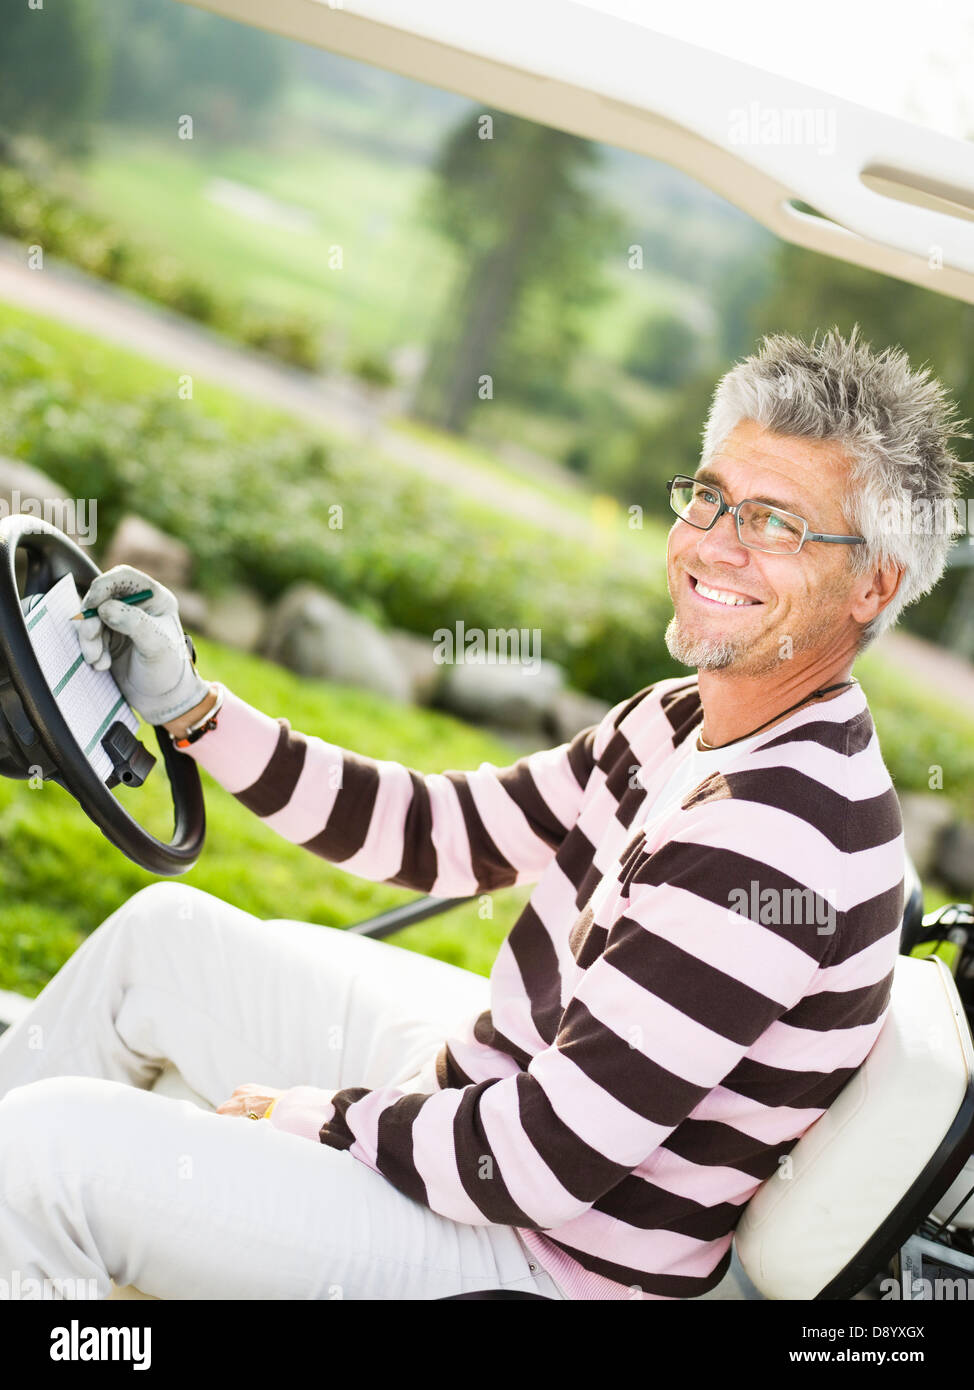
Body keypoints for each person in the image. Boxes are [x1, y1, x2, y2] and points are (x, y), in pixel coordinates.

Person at [0, 326, 969, 1301]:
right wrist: (196, 712)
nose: (713, 543)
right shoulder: (679, 719)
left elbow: (545, 1161)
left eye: (773, 522)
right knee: (159, 940)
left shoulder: (777, 842)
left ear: (873, 585)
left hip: (542, 1257)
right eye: (709, 496)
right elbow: (442, 831)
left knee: (46, 1161)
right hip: (479, 1098)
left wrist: (327, 1117)